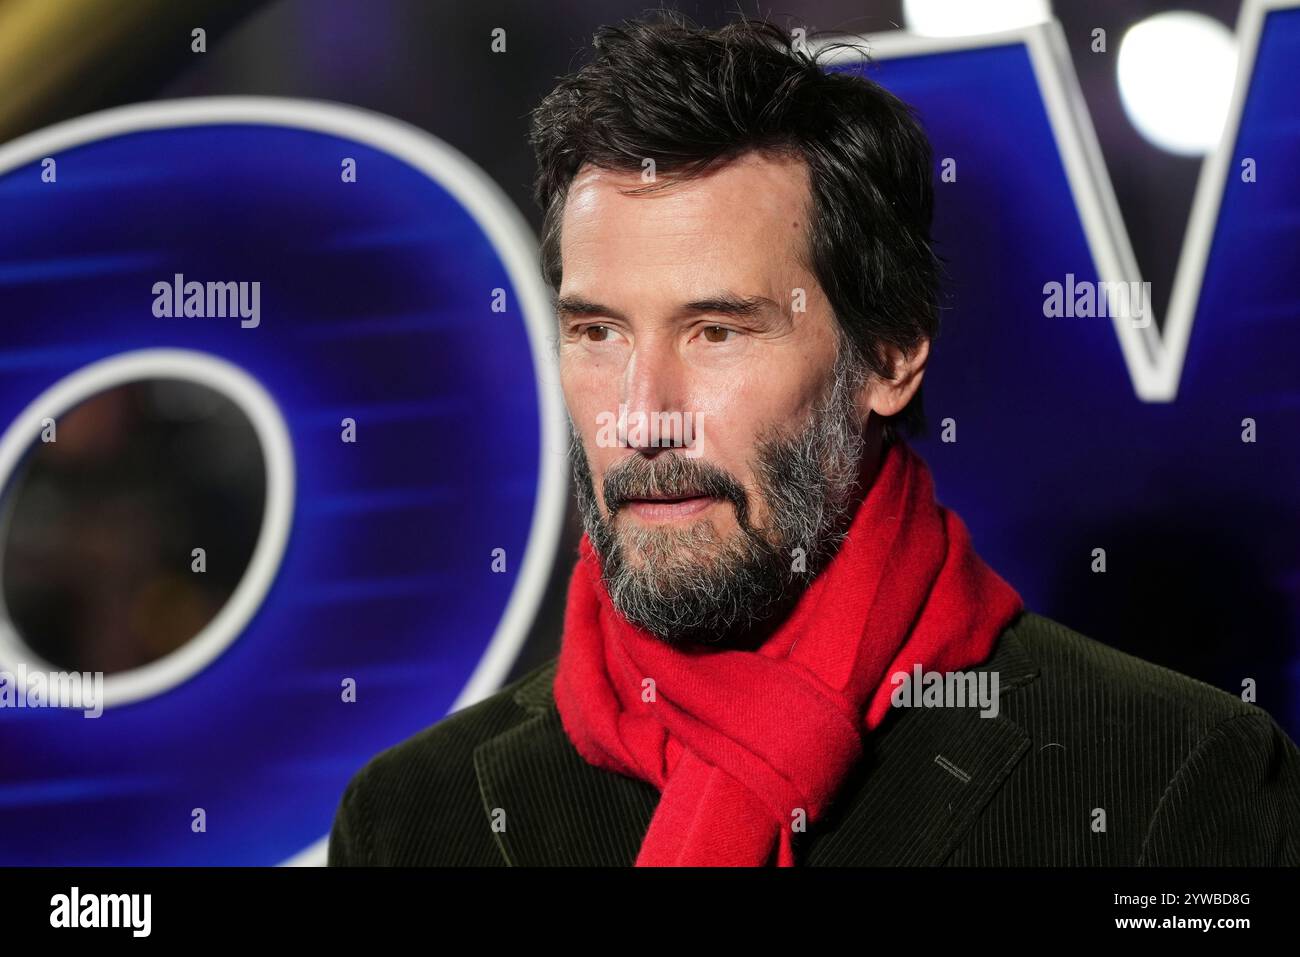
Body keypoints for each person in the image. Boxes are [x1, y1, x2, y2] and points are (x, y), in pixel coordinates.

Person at [328, 12, 1300, 867]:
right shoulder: (415, 818)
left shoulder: (1169, 779)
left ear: (889, 354)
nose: (640, 411)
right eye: (598, 332)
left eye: (718, 331)